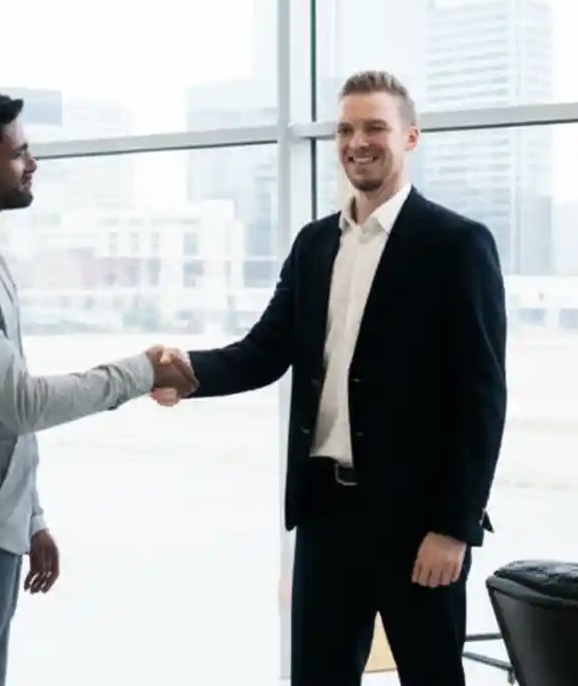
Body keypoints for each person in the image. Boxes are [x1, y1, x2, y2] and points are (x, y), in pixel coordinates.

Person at [152, 70, 507, 685]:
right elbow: (265, 350)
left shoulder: (457, 244)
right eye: (346, 129)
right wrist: (190, 374)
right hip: (325, 515)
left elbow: (481, 397)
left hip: (418, 523)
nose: (357, 142)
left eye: (375, 127)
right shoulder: (315, 244)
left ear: (411, 137)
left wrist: (455, 526)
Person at [0, 89, 199, 686]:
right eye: (19, 152)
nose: (32, 164)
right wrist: (141, 370)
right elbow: (22, 402)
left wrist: (30, 517)